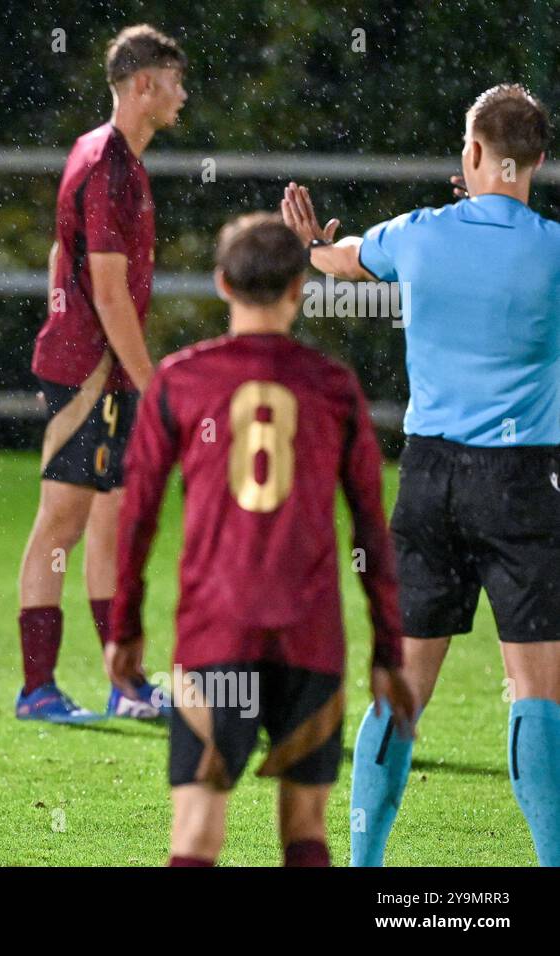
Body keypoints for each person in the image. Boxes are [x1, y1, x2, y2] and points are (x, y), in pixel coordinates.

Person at [282, 83, 560, 867]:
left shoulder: (419, 234)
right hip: (526, 484)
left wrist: (310, 248)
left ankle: (365, 864)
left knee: (403, 688)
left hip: (430, 479)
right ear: (536, 161)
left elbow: (341, 262)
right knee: (536, 693)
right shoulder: (553, 251)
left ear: (472, 154)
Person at [107, 213, 415, 866]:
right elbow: (370, 528)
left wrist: (123, 628)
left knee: (196, 834)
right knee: (305, 830)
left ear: (221, 284)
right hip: (310, 635)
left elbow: (137, 518)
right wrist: (389, 649)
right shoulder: (332, 386)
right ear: (299, 289)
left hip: (216, 631)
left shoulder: (182, 380)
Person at [16, 24, 187, 723]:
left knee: (111, 525)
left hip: (100, 369)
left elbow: (65, 261)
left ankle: (126, 684)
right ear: (143, 85)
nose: (182, 94)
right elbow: (110, 294)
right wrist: (154, 385)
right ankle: (37, 689)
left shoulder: (105, 153)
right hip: (88, 372)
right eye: (175, 80)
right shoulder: (112, 166)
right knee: (61, 523)